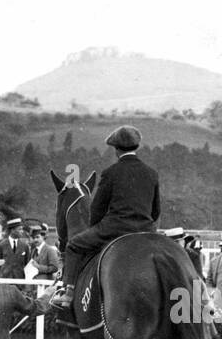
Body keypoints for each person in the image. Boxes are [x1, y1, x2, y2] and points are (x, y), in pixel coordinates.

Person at [51, 125, 160, 312]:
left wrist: (95, 227)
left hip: (114, 229)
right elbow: (156, 211)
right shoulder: (151, 173)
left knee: (74, 246)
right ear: (136, 147)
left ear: (116, 149)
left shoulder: (111, 172)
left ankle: (67, 293)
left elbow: (97, 209)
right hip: (145, 231)